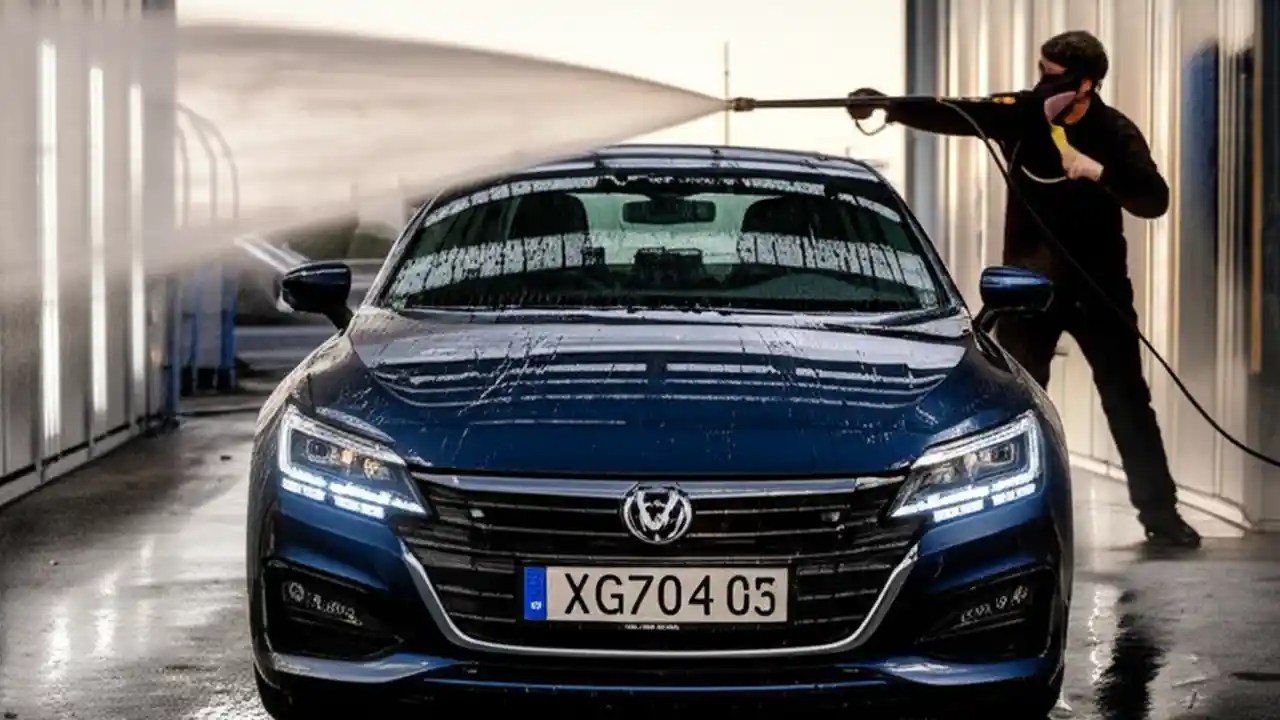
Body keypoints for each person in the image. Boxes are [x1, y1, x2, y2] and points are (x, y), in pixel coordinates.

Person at [847, 30, 1201, 548]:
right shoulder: (1022, 114)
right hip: (1029, 291)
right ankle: (1008, 515)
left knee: (1127, 400)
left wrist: (1099, 172)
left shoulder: (1115, 132)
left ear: (1087, 86)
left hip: (1099, 290)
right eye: (1040, 71)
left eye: (1053, 77)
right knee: (1014, 403)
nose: (1041, 85)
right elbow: (958, 113)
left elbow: (1154, 198)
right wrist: (890, 107)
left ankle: (1161, 515)